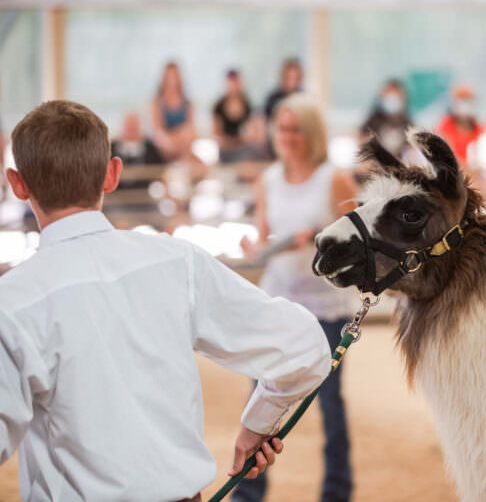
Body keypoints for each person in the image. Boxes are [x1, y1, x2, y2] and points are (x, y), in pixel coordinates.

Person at [0, 100, 331, 501]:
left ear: (17, 184)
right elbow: (305, 346)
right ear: (112, 174)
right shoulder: (177, 261)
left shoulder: (13, 303)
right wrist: (259, 421)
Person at [238, 94, 358, 502]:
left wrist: (320, 236)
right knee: (259, 401)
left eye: (295, 130)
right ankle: (248, 492)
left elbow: (358, 240)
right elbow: (263, 234)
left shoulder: (333, 178)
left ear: (311, 135)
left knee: (330, 406)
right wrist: (254, 247)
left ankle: (337, 492)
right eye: (281, 128)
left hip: (327, 308)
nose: (286, 137)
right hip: (278, 303)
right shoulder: (268, 179)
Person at [213, 69, 270, 163]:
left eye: (236, 83)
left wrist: (250, 137)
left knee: (258, 151)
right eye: (231, 83)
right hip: (226, 150)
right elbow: (216, 134)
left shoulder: (248, 104)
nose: (234, 87)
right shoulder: (219, 106)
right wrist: (232, 142)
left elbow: (256, 134)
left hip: (244, 149)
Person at [151, 62, 201, 165]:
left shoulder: (188, 103)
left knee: (188, 134)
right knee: (166, 140)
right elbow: (158, 132)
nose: (172, 80)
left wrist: (179, 138)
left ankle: (182, 161)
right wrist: (176, 139)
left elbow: (191, 130)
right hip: (165, 148)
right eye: (169, 76)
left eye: (174, 76)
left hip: (184, 147)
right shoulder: (157, 103)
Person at [111, 112, 165, 190]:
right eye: (129, 125)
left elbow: (160, 170)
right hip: (116, 194)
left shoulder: (151, 149)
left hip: (145, 193)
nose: (131, 128)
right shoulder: (112, 148)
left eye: (134, 125)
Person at [359, 79, 412, 156]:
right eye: (389, 97)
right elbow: (361, 138)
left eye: (395, 97)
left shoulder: (407, 123)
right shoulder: (373, 120)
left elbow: (411, 149)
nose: (392, 101)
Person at [437, 85, 484, 167]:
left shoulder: (480, 129)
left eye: (467, 101)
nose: (464, 106)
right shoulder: (445, 126)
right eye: (461, 101)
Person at [263, 58, 303, 123]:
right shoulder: (272, 99)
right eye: (288, 78)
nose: (291, 82)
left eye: (295, 78)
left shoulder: (305, 99)